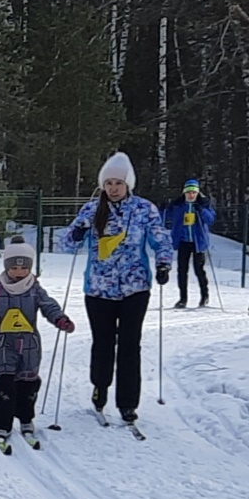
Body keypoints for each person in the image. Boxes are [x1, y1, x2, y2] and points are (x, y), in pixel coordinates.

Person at [58, 151, 175, 426]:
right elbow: (66, 244)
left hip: (135, 288)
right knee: (103, 343)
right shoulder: (91, 210)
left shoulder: (144, 209)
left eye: (118, 183)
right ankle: (100, 388)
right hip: (99, 289)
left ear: (128, 185)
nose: (113, 188)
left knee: (130, 345)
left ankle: (128, 402)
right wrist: (77, 233)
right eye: (108, 183)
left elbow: (161, 240)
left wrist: (163, 265)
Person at [0, 239, 75, 449]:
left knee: (29, 382)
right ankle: (1, 425)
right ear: (6, 268)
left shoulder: (35, 289)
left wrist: (60, 319)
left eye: (24, 267)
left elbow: (49, 306)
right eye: (14, 268)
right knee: (6, 383)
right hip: (4, 343)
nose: (19, 272)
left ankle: (26, 417)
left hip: (30, 343)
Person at [161, 178, 216, 308]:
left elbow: (210, 219)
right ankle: (183, 298)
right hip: (183, 241)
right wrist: (163, 208)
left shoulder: (203, 205)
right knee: (182, 270)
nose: (191, 195)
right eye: (188, 192)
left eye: (193, 192)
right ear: (184, 193)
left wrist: (201, 210)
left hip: (198, 242)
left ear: (197, 193)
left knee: (199, 270)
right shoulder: (178, 205)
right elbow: (164, 217)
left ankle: (204, 295)